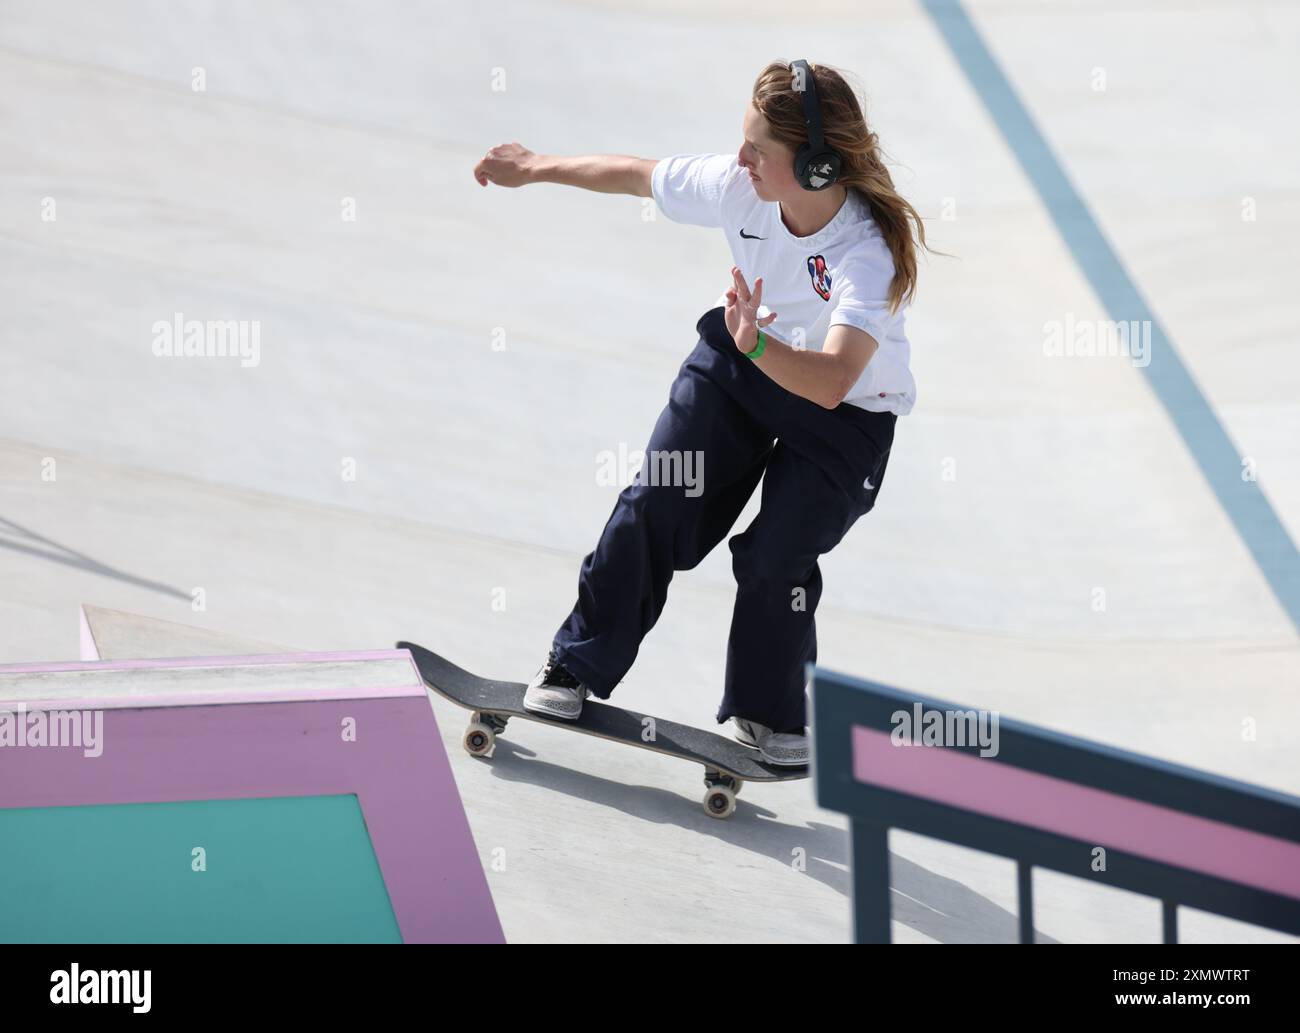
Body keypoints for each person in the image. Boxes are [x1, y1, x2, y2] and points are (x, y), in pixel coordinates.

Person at [472, 59, 928, 766]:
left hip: (844, 417)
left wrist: (756, 341)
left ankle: (772, 716)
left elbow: (836, 378)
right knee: (658, 497)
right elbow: (632, 174)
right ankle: (577, 662)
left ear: (813, 168)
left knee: (777, 554)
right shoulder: (736, 187)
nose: (740, 160)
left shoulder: (866, 252)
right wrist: (533, 166)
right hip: (743, 370)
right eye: (743, 142)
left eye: (759, 151)